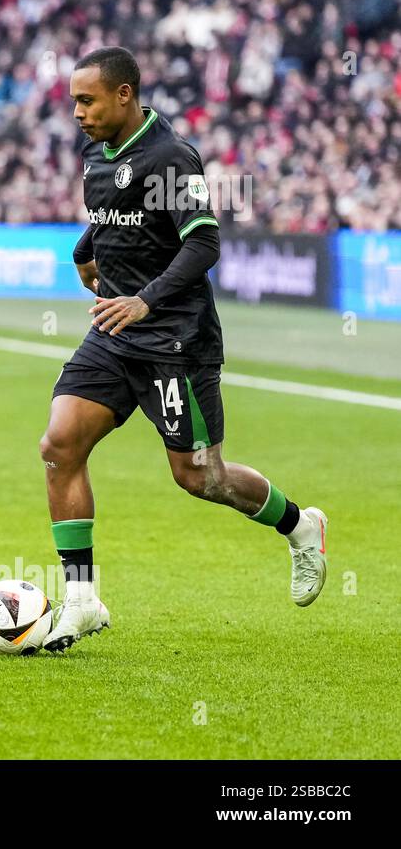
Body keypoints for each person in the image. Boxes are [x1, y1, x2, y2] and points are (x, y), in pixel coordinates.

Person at [40, 47, 327, 652]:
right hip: (114, 332)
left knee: (201, 478)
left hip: (176, 340)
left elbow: (203, 243)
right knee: (60, 442)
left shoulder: (171, 156)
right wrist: (83, 252)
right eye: (73, 101)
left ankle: (301, 525)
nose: (77, 113)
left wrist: (145, 299)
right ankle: (82, 598)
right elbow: (111, 211)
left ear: (124, 94)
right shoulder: (97, 152)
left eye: (87, 100)